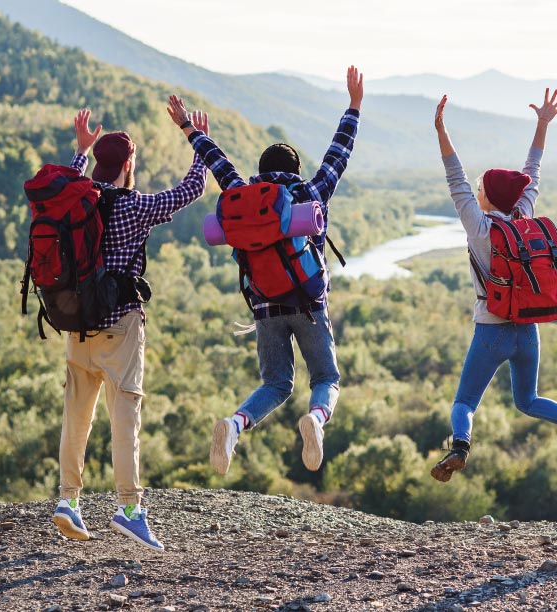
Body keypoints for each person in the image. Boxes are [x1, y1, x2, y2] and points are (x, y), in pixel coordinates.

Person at [167, 66, 363, 476]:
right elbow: (337, 156)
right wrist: (354, 105)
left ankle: (235, 425)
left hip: (264, 307)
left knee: (276, 383)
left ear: (262, 172)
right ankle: (316, 419)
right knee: (326, 376)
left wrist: (189, 126)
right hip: (309, 303)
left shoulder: (242, 195)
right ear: (292, 170)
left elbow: (217, 162)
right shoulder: (308, 193)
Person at [51, 107, 208, 550]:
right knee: (125, 415)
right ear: (128, 166)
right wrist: (196, 139)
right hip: (120, 324)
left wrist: (80, 152)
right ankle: (130, 509)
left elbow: (63, 182)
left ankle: (68, 501)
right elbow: (192, 188)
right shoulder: (134, 207)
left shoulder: (77, 199)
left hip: (77, 325)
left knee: (75, 414)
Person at [430, 90, 557, 483]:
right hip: (528, 329)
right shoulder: (524, 216)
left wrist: (441, 131)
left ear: (487, 198)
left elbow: (454, 177)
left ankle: (459, 446)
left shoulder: (480, 229)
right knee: (528, 399)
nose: (474, 192)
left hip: (491, 329)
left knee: (464, 402)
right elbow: (532, 173)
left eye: (480, 190)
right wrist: (543, 125)